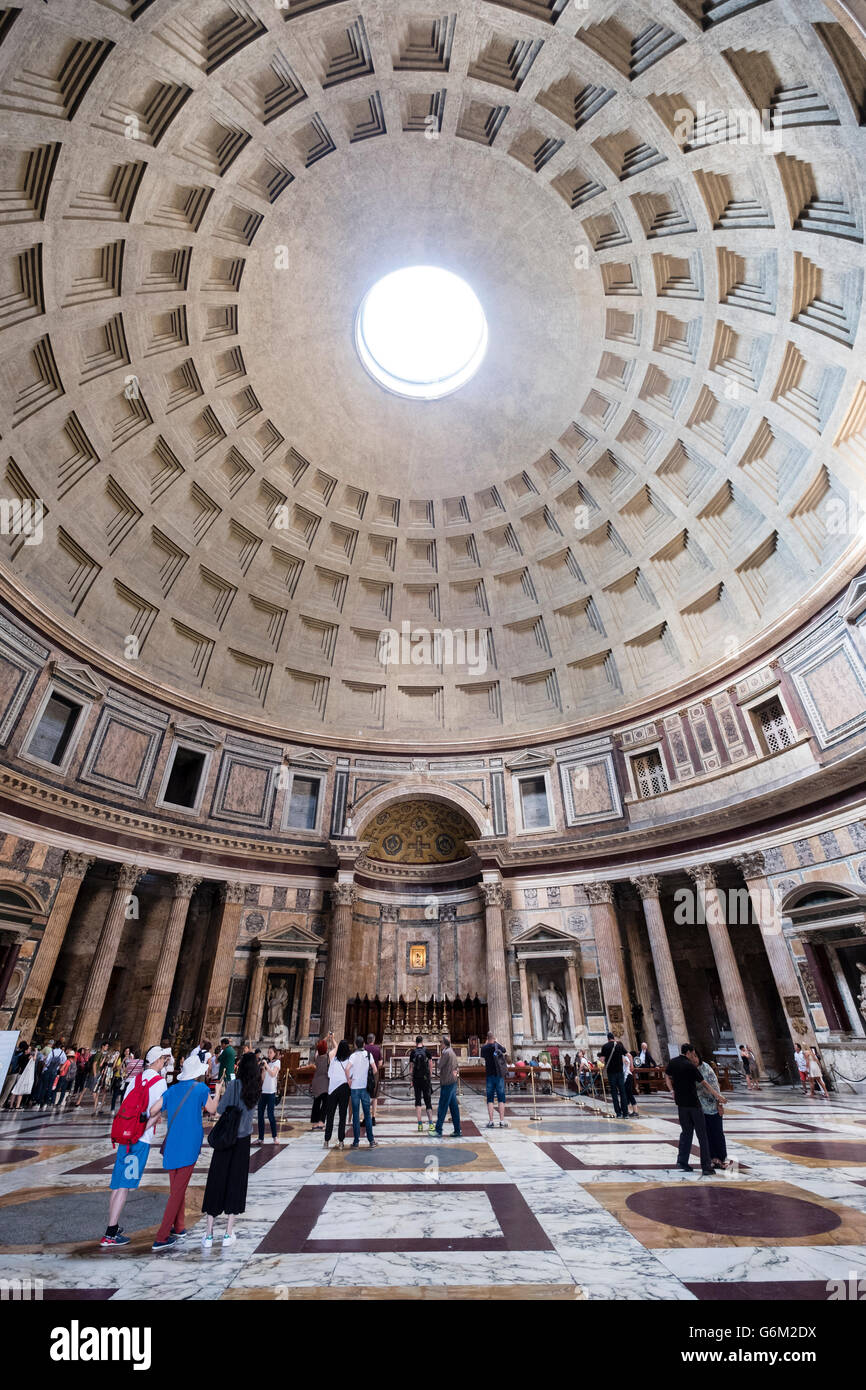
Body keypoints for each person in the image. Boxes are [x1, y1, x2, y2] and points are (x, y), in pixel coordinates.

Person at [100, 1045, 171, 1247]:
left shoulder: (135, 1080)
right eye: (164, 1059)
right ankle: (110, 1233)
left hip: (125, 1137)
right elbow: (155, 1112)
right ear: (158, 1061)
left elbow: (126, 1107)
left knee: (118, 1184)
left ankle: (112, 1227)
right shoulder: (159, 1082)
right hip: (139, 1140)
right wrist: (143, 1129)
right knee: (125, 1186)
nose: (165, 1062)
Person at [149, 1053, 219, 1251]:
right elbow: (213, 1109)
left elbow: (154, 1109)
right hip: (189, 1146)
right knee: (177, 1192)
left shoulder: (172, 1090)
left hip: (171, 1144)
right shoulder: (201, 1089)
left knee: (176, 1189)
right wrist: (219, 1091)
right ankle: (162, 1236)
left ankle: (179, 1227)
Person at [201, 1051, 261, 1249]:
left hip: (227, 1137)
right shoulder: (256, 1089)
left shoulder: (234, 1085)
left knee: (217, 1180)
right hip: (243, 1139)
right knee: (236, 1182)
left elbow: (219, 1109)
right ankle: (228, 1232)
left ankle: (209, 1233)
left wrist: (218, 1091)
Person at [665, 1043, 722, 1177]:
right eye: (693, 1054)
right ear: (689, 1052)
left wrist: (672, 1090)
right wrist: (718, 1096)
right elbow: (704, 1083)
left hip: (681, 1106)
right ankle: (706, 1167)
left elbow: (666, 1076)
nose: (694, 1056)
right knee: (702, 1136)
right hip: (694, 1105)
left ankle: (682, 1161)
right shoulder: (689, 1065)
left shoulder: (673, 1062)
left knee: (686, 1133)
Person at [696, 1052, 730, 1169]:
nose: (694, 1060)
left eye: (695, 1057)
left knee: (718, 1133)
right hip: (699, 1107)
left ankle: (721, 1158)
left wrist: (719, 1103)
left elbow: (715, 1086)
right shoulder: (691, 1069)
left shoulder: (706, 1068)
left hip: (713, 1106)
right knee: (706, 1135)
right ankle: (711, 1158)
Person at [347, 1035, 377, 1149]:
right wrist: (368, 1077)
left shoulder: (353, 1056)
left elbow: (347, 1069)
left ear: (355, 1045)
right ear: (364, 1044)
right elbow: (375, 1070)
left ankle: (356, 1141)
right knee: (367, 1115)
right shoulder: (368, 1055)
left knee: (355, 1115)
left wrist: (349, 1080)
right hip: (365, 1087)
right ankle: (371, 1140)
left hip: (354, 1087)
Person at [323, 1039, 351, 1150]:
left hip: (333, 1090)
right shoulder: (349, 1061)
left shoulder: (334, 1060)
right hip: (344, 1089)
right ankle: (341, 1141)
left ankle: (326, 1140)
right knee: (342, 1116)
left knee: (330, 1116)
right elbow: (351, 1075)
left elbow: (329, 1074)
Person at [433, 1034, 462, 1138]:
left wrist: (438, 1060)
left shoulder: (445, 1052)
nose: (440, 1044)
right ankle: (457, 1130)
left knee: (442, 1106)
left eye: (441, 1042)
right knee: (454, 1108)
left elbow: (440, 1065)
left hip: (447, 1082)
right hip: (452, 1081)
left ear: (444, 1043)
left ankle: (438, 1130)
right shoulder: (452, 1052)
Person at [480, 1029, 508, 1129]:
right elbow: (504, 1050)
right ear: (494, 1038)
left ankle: (491, 1121)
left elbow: (481, 1053)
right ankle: (501, 1121)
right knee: (501, 1098)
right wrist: (497, 1042)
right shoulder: (497, 1046)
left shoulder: (485, 1048)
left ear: (487, 1039)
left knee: (490, 1099)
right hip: (499, 1075)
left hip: (489, 1075)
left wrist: (486, 1043)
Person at [599, 1033, 629, 1119]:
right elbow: (628, 1055)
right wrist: (631, 1066)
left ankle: (618, 1113)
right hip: (620, 1071)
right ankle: (626, 1113)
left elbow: (602, 1060)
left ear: (608, 1039)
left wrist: (600, 1064)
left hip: (611, 1072)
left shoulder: (605, 1046)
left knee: (614, 1092)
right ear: (613, 1038)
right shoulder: (619, 1045)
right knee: (622, 1092)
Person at [256, 1046, 280, 1145]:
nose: (269, 1054)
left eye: (270, 1052)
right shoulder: (267, 1063)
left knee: (270, 1115)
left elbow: (273, 1074)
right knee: (260, 1115)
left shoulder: (277, 1062)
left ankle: (275, 1137)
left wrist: (267, 1066)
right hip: (263, 1092)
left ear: (274, 1053)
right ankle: (261, 1137)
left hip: (271, 1092)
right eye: (268, 1052)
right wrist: (262, 1069)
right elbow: (262, 1079)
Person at [410, 1035, 434, 1132]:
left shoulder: (413, 1052)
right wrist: (430, 1076)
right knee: (428, 1101)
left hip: (416, 1079)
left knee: (418, 1101)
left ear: (416, 1043)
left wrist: (411, 1079)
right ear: (422, 1042)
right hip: (425, 1079)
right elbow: (430, 1064)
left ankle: (420, 1124)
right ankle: (431, 1124)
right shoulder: (427, 1051)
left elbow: (411, 1068)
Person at [310, 1036, 332, 1130]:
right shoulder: (328, 1057)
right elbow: (336, 1048)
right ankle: (321, 1121)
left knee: (316, 1102)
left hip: (316, 1082)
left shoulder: (317, 1056)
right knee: (326, 1103)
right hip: (325, 1083)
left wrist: (326, 1037)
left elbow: (320, 1045)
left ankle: (315, 1122)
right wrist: (332, 1038)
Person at [10, 1043, 35, 1109]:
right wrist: (36, 1052)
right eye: (29, 1049)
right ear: (26, 1050)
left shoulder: (20, 1056)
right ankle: (17, 1105)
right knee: (20, 1091)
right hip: (23, 1075)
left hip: (19, 1074)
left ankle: (11, 1105)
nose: (29, 1050)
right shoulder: (28, 1057)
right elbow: (34, 1059)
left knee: (15, 1090)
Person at [365, 1033, 382, 1125]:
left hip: (365, 1074)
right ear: (374, 1040)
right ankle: (373, 1118)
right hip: (374, 1074)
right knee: (375, 1097)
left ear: (367, 1040)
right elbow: (380, 1063)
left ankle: (365, 1117)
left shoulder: (364, 1049)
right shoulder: (377, 1049)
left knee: (366, 1096)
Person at [622, 1048, 640, 1116]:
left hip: (628, 1076)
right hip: (625, 1077)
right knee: (626, 1094)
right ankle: (628, 1110)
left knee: (629, 1093)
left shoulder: (625, 1057)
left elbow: (626, 1062)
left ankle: (635, 1110)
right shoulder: (624, 1057)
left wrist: (631, 1065)